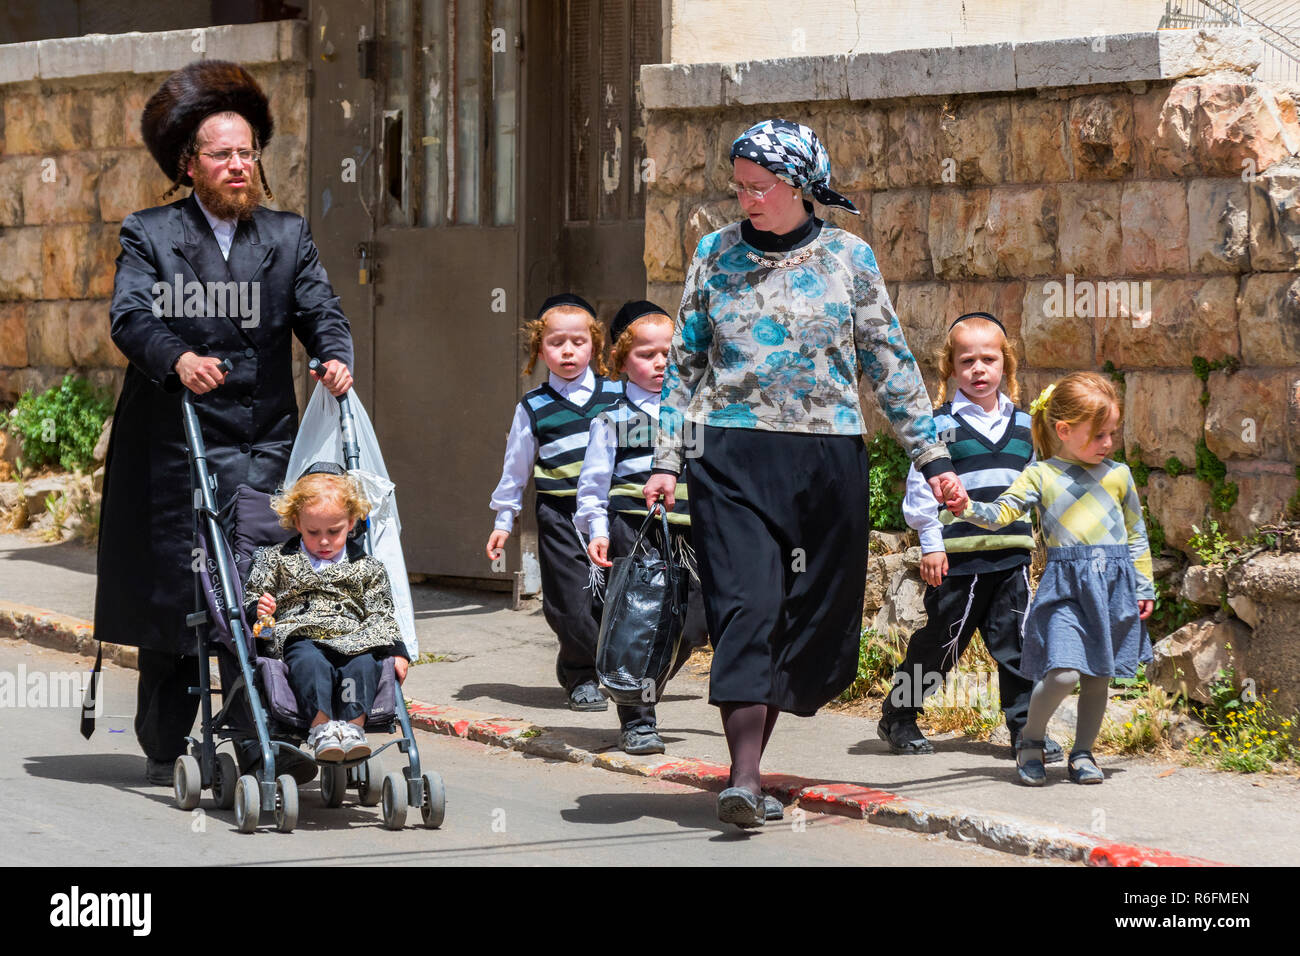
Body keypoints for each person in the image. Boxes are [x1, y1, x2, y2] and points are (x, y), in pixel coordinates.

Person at [643, 118, 967, 828]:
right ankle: (745, 774)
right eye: (740, 188)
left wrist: (933, 459)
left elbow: (890, 362)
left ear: (797, 186)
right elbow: (685, 366)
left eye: (759, 187)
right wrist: (666, 459)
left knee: (817, 617)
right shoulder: (714, 255)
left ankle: (760, 751)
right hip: (729, 455)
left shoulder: (849, 258)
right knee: (747, 607)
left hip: (827, 458)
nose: (746, 200)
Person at [95, 60, 355, 785]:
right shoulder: (151, 233)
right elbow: (131, 316)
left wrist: (335, 356)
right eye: (222, 154)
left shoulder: (286, 234)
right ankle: (163, 735)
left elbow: (320, 311)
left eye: (247, 153)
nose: (239, 165)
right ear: (190, 165)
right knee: (184, 597)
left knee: (257, 590)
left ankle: (259, 738)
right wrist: (176, 357)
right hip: (180, 443)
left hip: (266, 441)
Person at [946, 371, 1155, 786]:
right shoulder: (1041, 475)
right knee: (1063, 673)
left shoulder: (1118, 475)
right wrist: (966, 507)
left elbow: (1136, 534)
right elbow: (1002, 514)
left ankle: (1083, 753)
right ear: (1063, 429)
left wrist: (1143, 585)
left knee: (1098, 675)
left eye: (1112, 433)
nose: (1108, 444)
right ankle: (1030, 740)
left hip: (1113, 588)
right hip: (1065, 587)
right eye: (1099, 435)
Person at [879, 312, 1061, 764]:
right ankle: (899, 715)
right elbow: (923, 487)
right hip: (958, 560)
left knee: (1017, 645)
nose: (978, 369)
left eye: (988, 359)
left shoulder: (1025, 427)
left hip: (1011, 558)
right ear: (951, 369)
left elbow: (1039, 486)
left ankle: (1025, 730)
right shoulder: (939, 426)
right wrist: (930, 543)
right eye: (967, 361)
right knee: (941, 643)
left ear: (1006, 366)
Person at [577, 300, 709, 757]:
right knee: (639, 623)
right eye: (645, 354)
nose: (659, 363)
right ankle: (637, 720)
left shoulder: (696, 416)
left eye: (668, 354)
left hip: (690, 534)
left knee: (693, 626)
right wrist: (596, 530)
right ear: (619, 362)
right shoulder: (611, 419)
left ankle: (629, 680)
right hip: (636, 531)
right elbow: (593, 485)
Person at [486, 295, 624, 710]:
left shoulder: (618, 397)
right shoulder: (533, 407)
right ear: (539, 350)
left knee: (612, 599)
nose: (567, 351)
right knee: (569, 601)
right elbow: (516, 469)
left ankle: (623, 670)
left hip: (611, 514)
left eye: (578, 342)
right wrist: (503, 521)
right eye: (556, 342)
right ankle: (580, 675)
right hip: (559, 514)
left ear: (595, 347)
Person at [246, 465, 409, 762]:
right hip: (300, 634)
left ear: (350, 522)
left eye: (333, 532)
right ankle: (321, 729)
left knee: (364, 664)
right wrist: (260, 613)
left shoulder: (368, 568)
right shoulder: (275, 560)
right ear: (296, 522)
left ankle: (352, 730)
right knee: (309, 664)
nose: (323, 541)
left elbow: (381, 612)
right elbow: (258, 619)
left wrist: (398, 651)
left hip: (355, 636)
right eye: (313, 532)